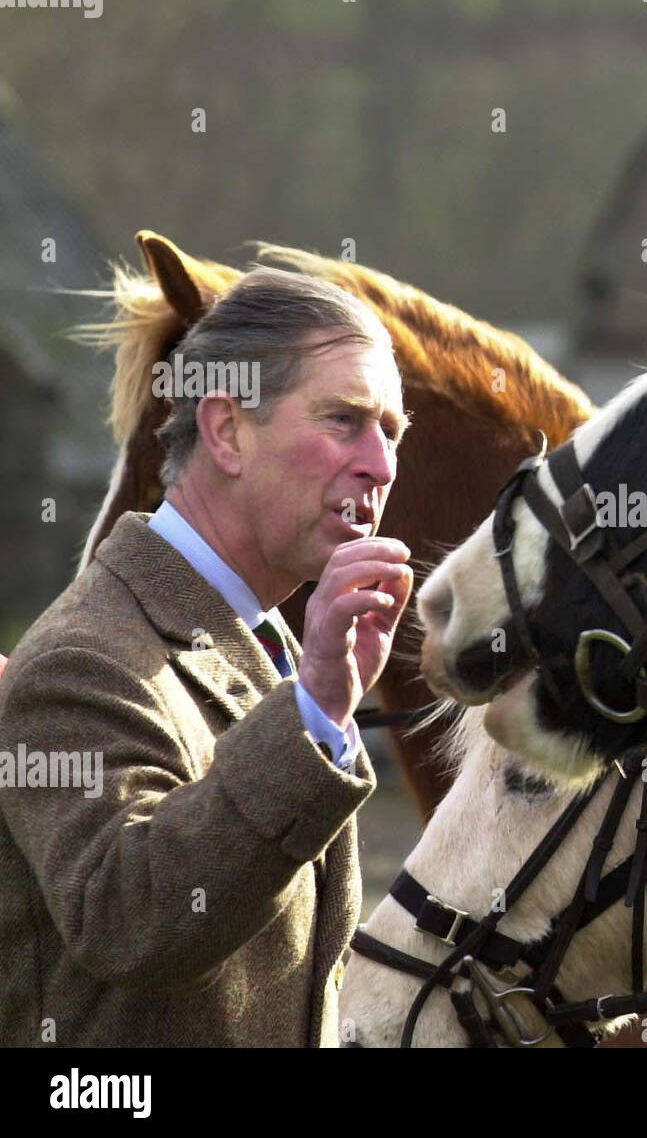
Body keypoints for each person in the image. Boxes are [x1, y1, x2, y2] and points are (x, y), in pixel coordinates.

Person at [0, 266, 413, 1046]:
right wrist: (315, 707)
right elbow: (133, 921)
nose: (381, 465)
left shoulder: (270, 642)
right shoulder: (82, 655)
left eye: (391, 432)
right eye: (344, 420)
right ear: (225, 430)